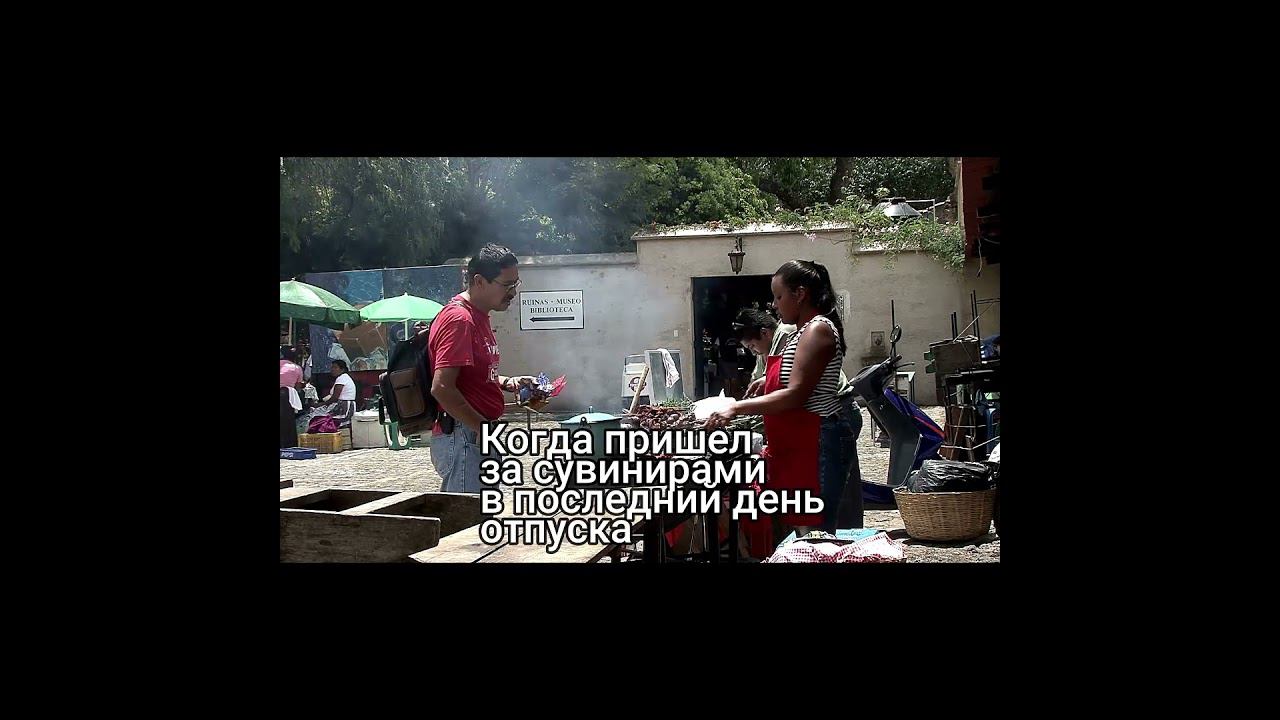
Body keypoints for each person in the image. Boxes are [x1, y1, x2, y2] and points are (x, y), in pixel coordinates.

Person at [706, 260, 860, 536]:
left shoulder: (817, 329)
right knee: (806, 527)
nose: (774, 306)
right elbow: (799, 377)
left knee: (817, 530)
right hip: (805, 439)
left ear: (799, 294)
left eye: (778, 297)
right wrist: (768, 379)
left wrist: (736, 408)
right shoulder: (802, 332)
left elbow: (795, 395)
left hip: (820, 437)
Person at [427, 243, 539, 493]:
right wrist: (481, 428)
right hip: (464, 435)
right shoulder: (459, 319)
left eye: (515, 284)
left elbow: (471, 376)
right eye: (507, 285)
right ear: (479, 281)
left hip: (474, 434)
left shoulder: (479, 316)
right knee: (467, 515)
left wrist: (508, 382)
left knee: (482, 512)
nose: (513, 292)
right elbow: (442, 387)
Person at [305, 359, 358, 429]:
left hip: (343, 407)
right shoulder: (343, 378)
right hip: (344, 405)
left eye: (335, 367)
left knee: (318, 417)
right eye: (332, 367)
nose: (332, 369)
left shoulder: (342, 378)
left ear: (342, 370)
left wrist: (321, 404)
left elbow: (335, 398)